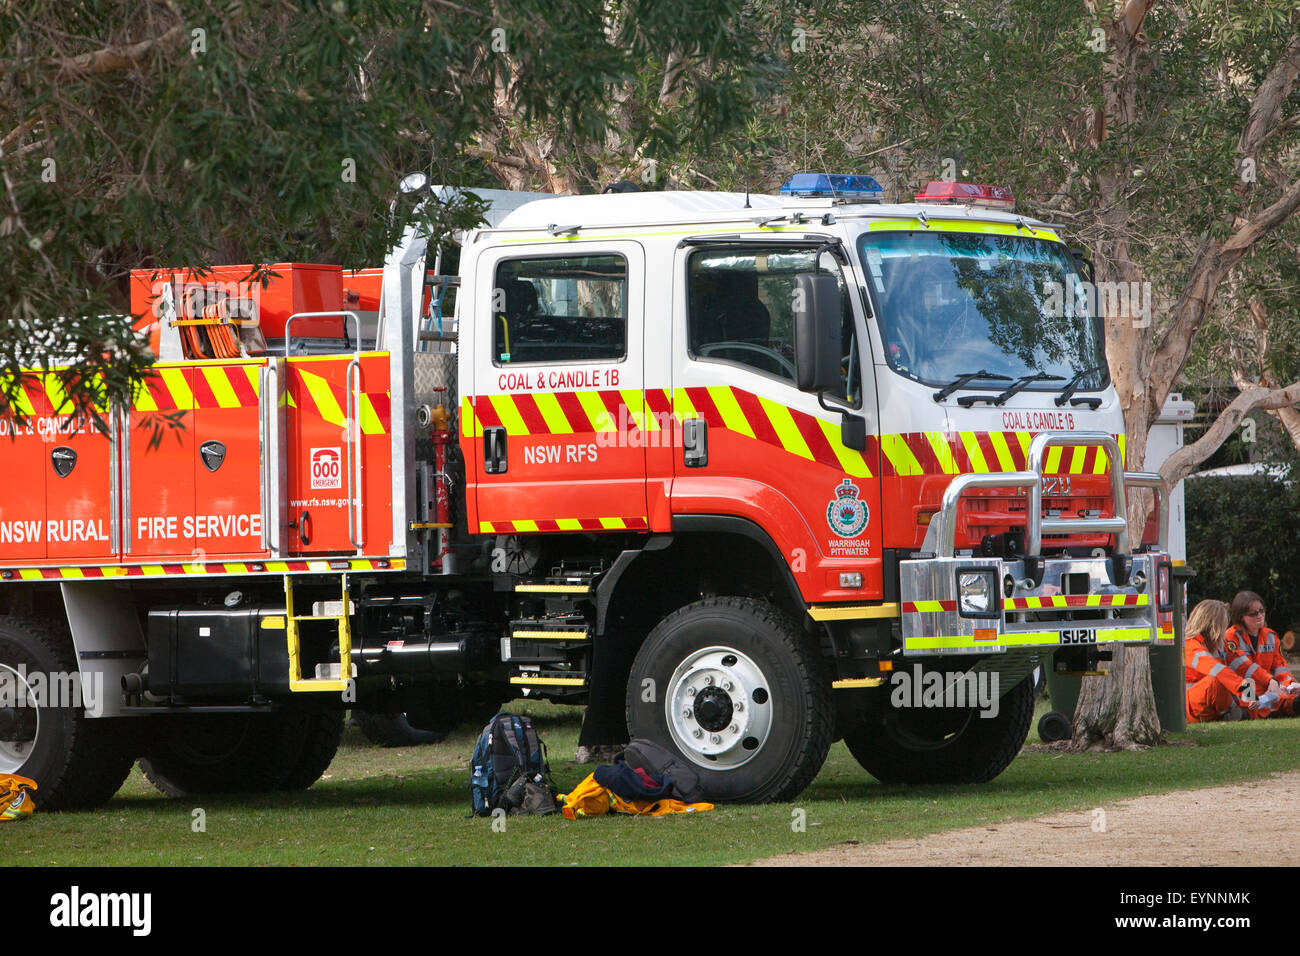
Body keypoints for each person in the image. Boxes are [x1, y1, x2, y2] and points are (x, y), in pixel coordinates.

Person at [1184, 599, 1272, 722]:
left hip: (1213, 703)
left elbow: (1245, 666)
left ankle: (1286, 704)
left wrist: (1270, 681)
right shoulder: (1190, 646)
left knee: (1251, 686)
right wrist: (1246, 691)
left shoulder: (1218, 645)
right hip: (1191, 708)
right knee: (1220, 681)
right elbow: (1220, 673)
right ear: (1215, 626)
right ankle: (1239, 712)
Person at [1223, 591, 1300, 718]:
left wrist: (1289, 686)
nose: (1260, 615)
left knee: (1289, 697)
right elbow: (1244, 668)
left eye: (1262, 611)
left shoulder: (1270, 636)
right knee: (1251, 702)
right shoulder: (1230, 638)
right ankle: (1251, 712)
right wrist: (1270, 680)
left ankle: (1282, 706)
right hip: (1244, 688)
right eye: (1254, 613)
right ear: (1241, 616)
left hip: (1270, 689)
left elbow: (1280, 668)